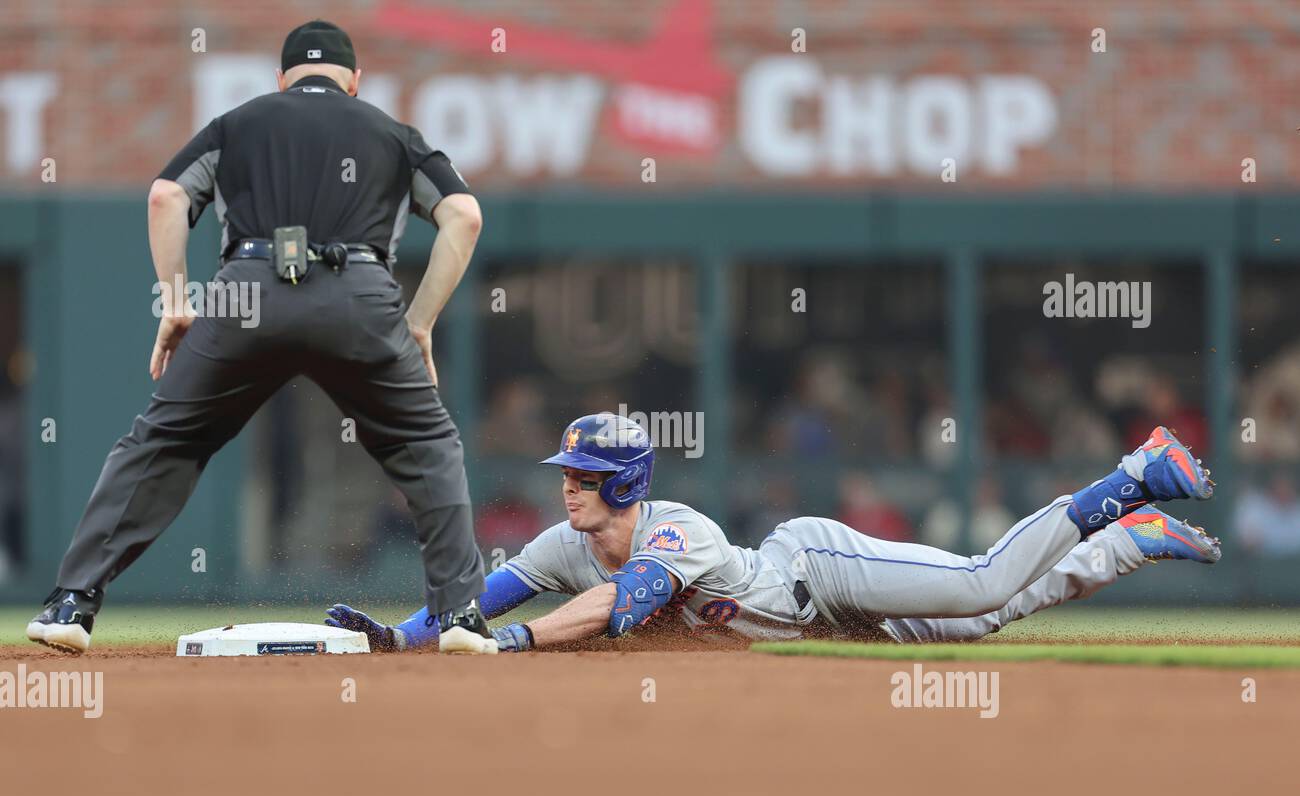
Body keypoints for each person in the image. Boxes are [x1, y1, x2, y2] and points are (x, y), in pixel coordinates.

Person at [28, 20, 489, 653]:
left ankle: (71, 604)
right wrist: (420, 322)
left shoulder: (238, 123)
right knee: (428, 444)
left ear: (281, 79)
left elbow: (166, 197)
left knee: (164, 441)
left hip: (247, 292)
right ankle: (461, 615)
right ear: (354, 81)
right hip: (357, 292)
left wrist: (175, 301)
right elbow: (463, 215)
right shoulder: (392, 133)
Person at [326, 413, 1219, 653]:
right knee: (984, 624)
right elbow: (489, 593)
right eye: (565, 475)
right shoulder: (565, 542)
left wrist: (513, 643)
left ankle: (1130, 476)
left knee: (981, 583)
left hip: (816, 573)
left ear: (625, 484)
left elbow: (623, 607)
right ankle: (1129, 540)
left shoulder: (674, 533)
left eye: (584, 478)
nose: (567, 490)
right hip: (824, 633)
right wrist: (406, 640)